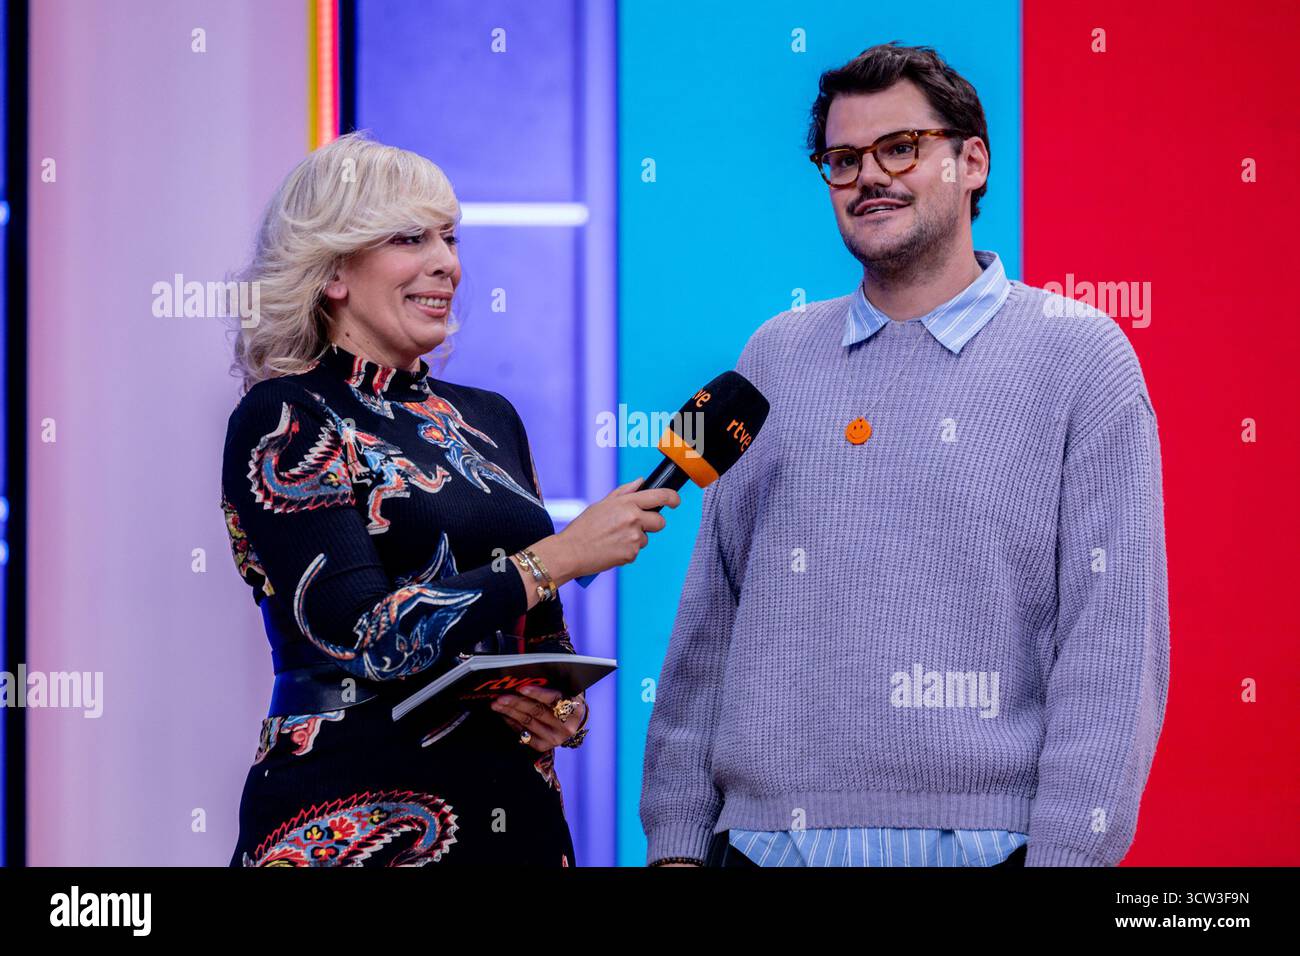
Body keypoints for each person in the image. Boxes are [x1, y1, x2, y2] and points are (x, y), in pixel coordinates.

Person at [640, 42, 1169, 867]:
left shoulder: (1080, 356)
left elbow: (1113, 644)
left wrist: (1070, 855)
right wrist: (675, 841)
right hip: (760, 845)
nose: (869, 177)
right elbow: (713, 614)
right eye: (843, 160)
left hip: (990, 847)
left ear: (973, 161)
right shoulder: (772, 356)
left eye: (901, 148)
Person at [221, 130, 678, 866]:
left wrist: (560, 709)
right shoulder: (287, 415)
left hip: (513, 817)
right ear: (333, 270)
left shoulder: (490, 417)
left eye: (450, 237)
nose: (448, 264)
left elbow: (543, 642)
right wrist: (562, 553)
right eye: (411, 238)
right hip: (349, 815)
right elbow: (361, 633)